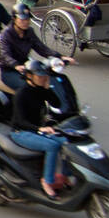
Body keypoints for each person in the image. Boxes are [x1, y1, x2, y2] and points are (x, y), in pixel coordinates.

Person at [11, 59, 71, 199]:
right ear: (29, 76)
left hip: (36, 130)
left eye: (44, 75)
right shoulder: (21, 94)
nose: (43, 77)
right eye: (40, 75)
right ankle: (47, 182)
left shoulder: (40, 90)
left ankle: (65, 175)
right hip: (21, 132)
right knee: (52, 145)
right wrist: (40, 129)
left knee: (66, 141)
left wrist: (47, 87)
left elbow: (56, 103)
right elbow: (20, 121)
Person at [0, 3, 72, 91]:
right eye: (22, 19)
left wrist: (60, 56)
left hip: (27, 67)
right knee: (28, 87)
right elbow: (5, 55)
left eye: (28, 19)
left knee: (50, 80)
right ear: (14, 19)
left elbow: (42, 48)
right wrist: (16, 65)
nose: (26, 22)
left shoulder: (29, 32)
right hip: (9, 71)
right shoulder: (6, 34)